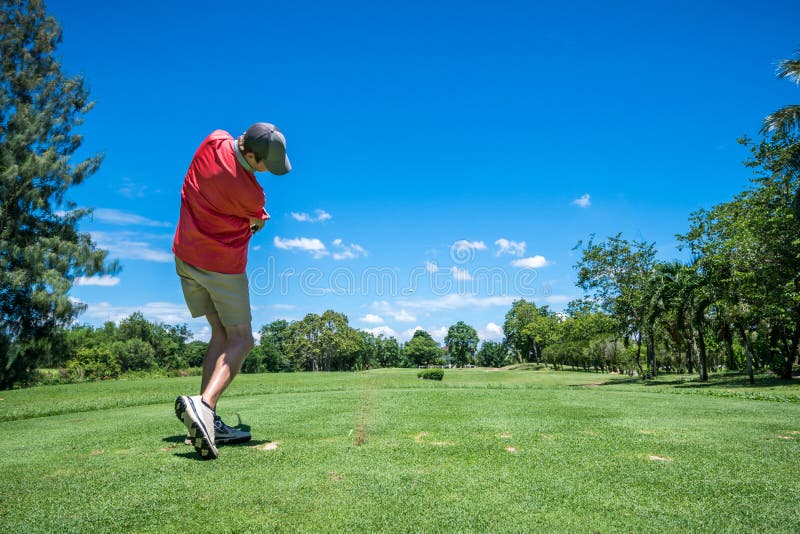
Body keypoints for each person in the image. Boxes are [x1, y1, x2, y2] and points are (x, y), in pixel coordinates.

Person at [172, 122, 291, 459]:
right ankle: (204, 406)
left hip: (185, 257)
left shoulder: (213, 139)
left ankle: (206, 423)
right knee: (243, 339)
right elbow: (258, 221)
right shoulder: (252, 193)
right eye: (265, 163)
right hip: (221, 267)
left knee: (220, 334)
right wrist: (256, 220)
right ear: (251, 155)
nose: (267, 170)